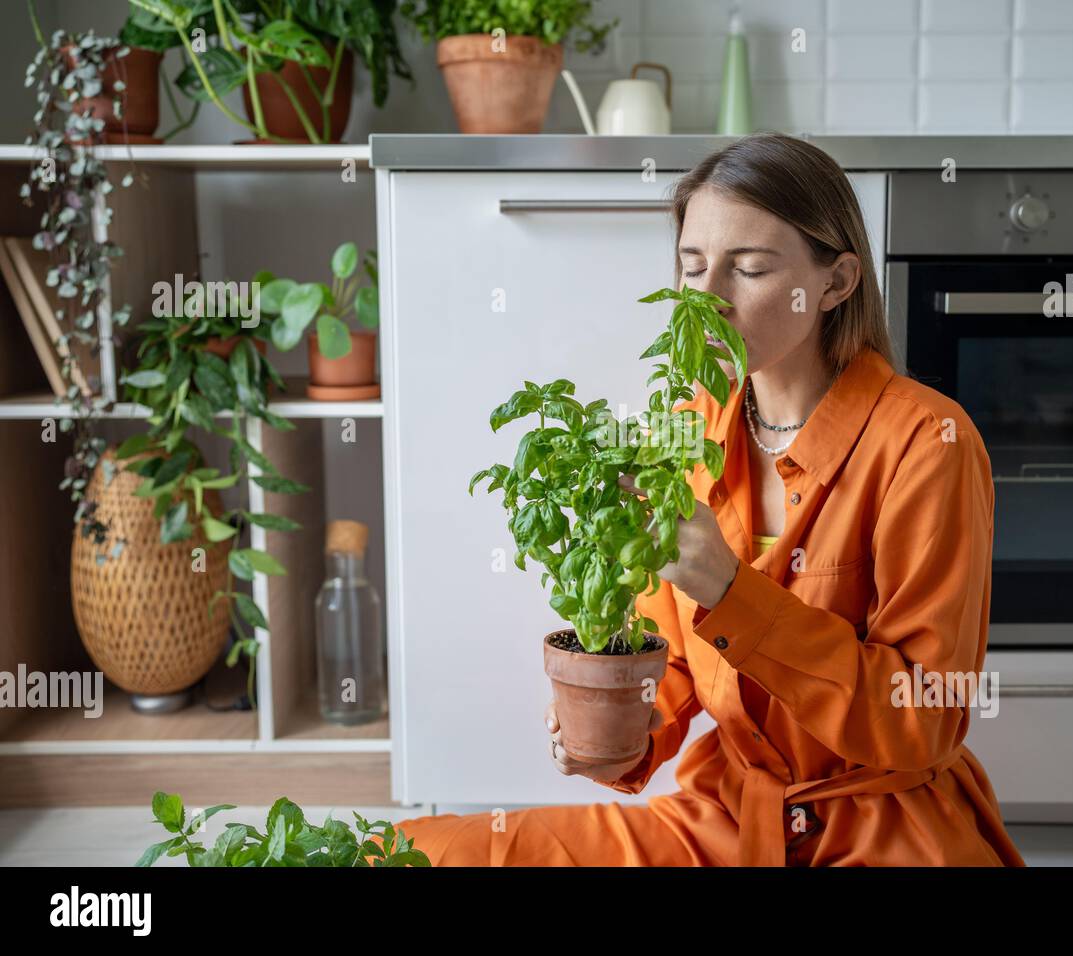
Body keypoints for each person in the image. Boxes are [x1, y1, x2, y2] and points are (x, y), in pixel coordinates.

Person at [380, 132, 1026, 866]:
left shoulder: (927, 443)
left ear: (835, 281)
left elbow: (920, 720)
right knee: (419, 852)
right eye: (692, 267)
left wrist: (729, 587)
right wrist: (617, 736)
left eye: (748, 269)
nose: (708, 298)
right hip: (727, 818)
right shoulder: (690, 425)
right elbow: (672, 663)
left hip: (886, 831)